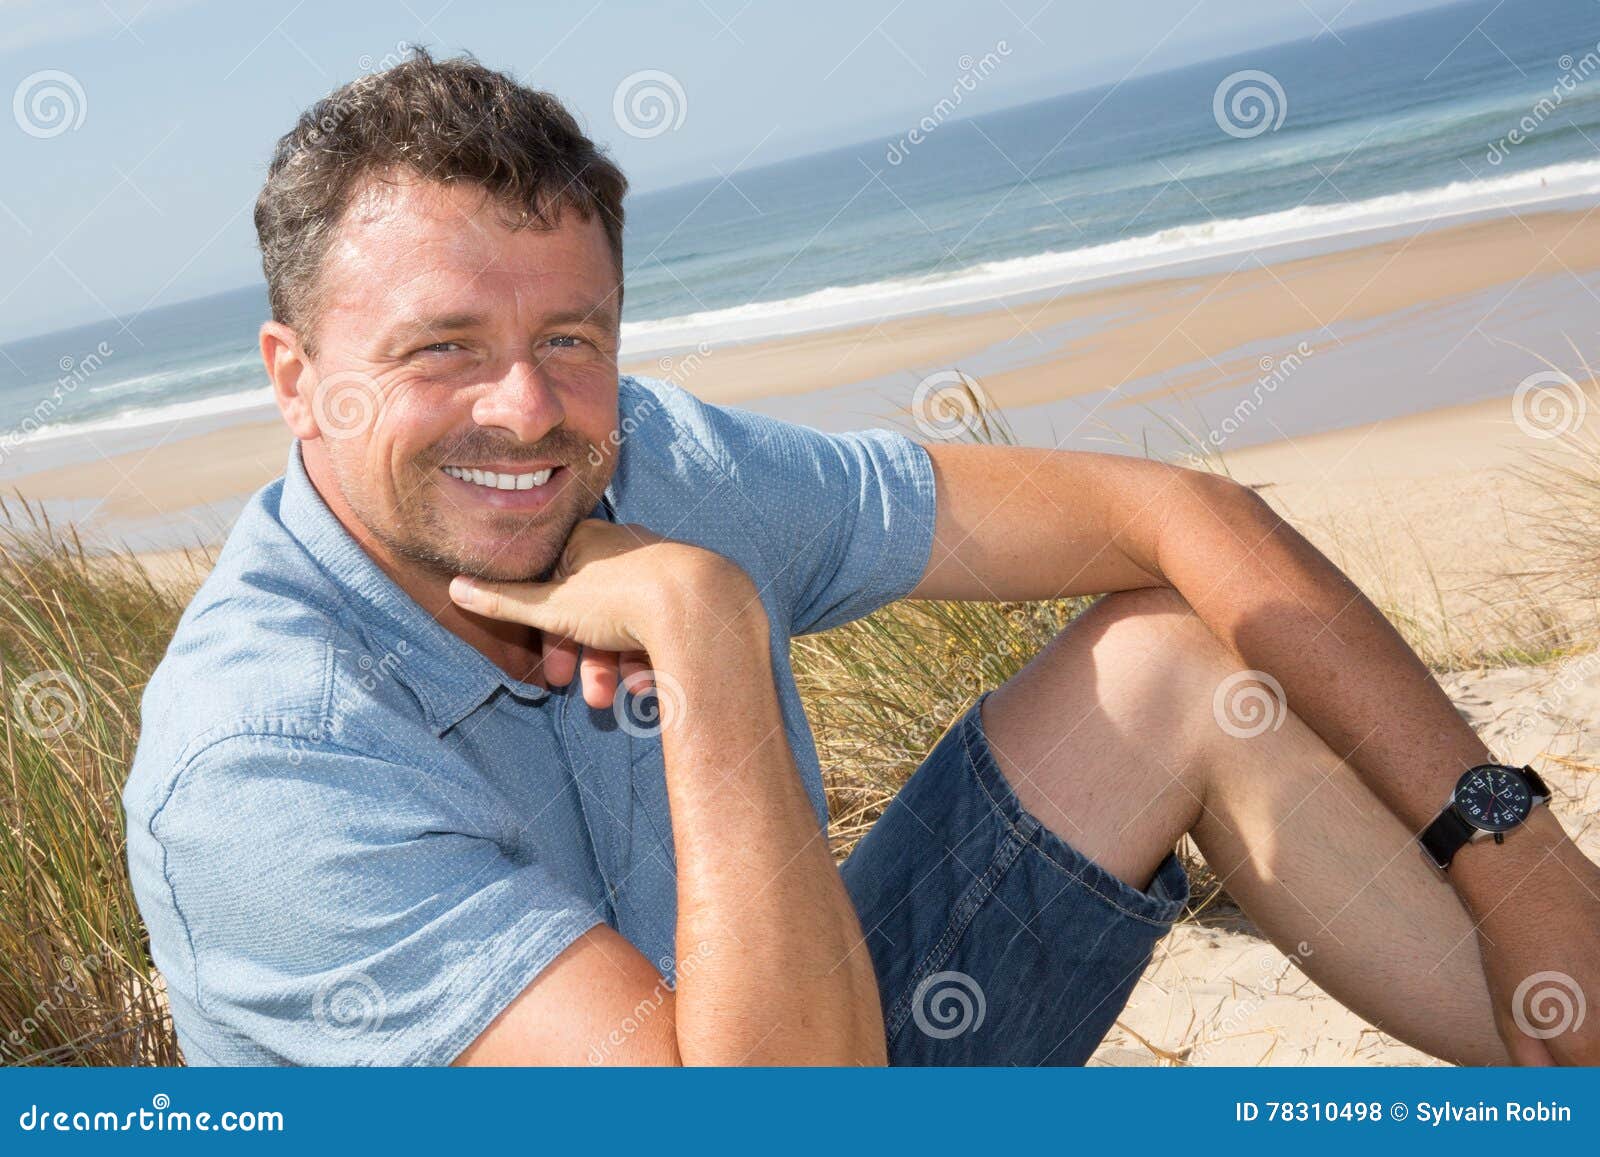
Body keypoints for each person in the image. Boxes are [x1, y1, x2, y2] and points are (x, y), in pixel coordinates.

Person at [125, 50, 1599, 1066]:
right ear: (295, 374)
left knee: (1174, 664)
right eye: (442, 347)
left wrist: (1510, 851)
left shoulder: (653, 457)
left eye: (569, 338)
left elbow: (1178, 513)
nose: (530, 407)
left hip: (799, 1038)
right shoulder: (262, 769)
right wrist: (706, 633)